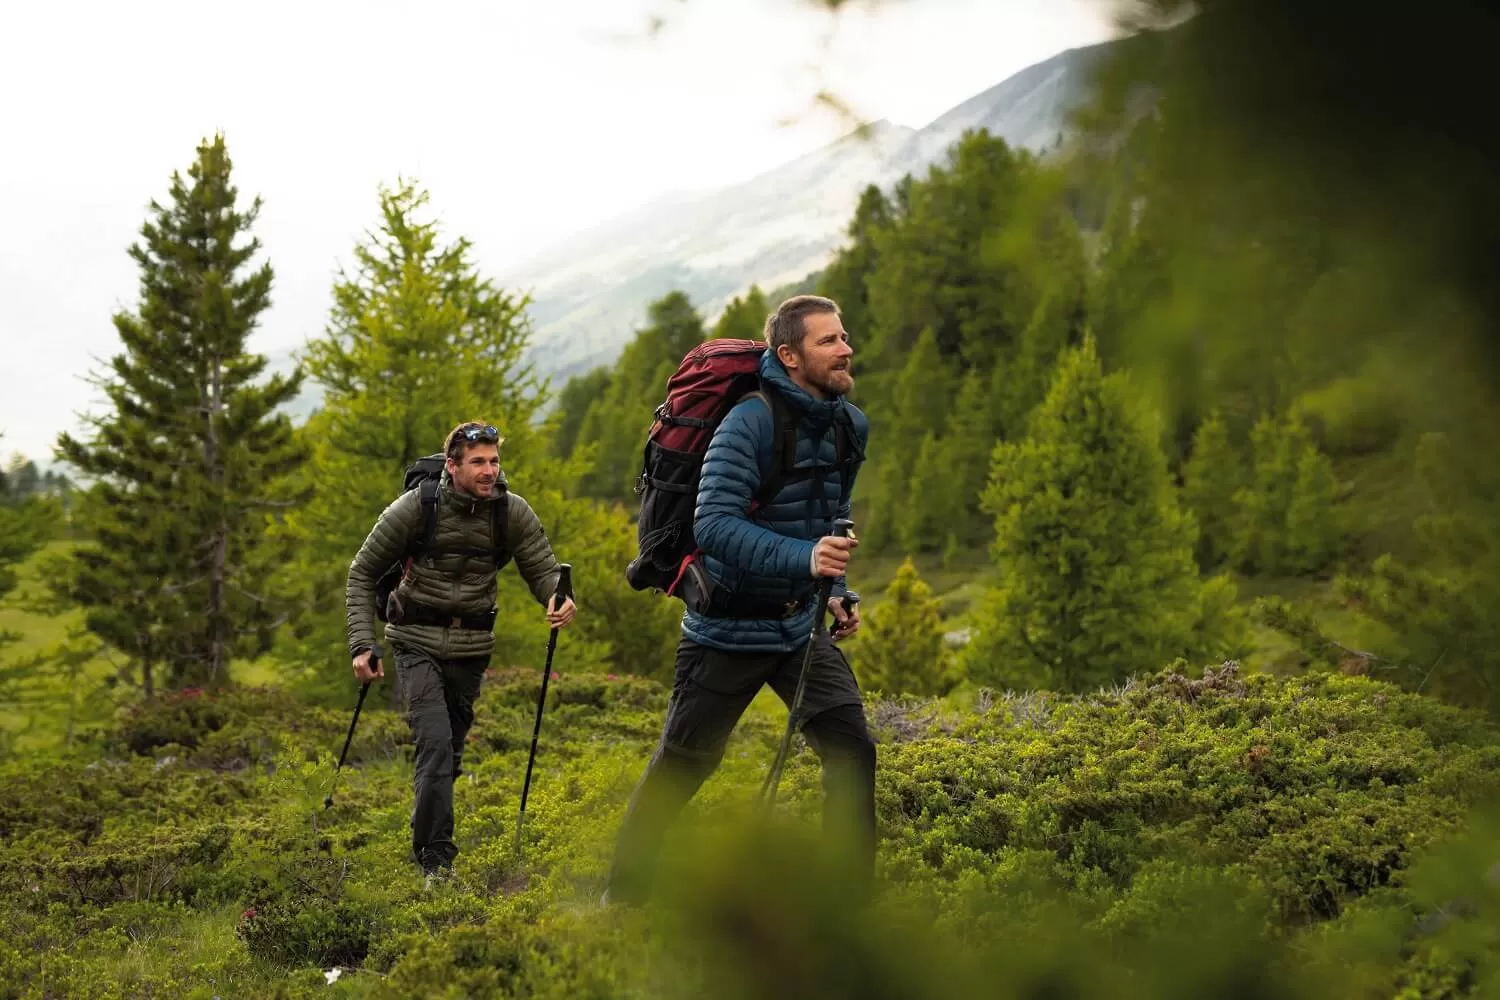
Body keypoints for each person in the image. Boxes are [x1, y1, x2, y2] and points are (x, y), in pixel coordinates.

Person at [605, 294, 875, 906]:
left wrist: (834, 590)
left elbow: (828, 512)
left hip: (798, 626)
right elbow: (715, 526)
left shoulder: (847, 423)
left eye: (844, 336)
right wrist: (805, 560)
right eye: (828, 341)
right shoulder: (748, 422)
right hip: (726, 628)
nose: (845, 348)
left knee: (852, 751)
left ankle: (850, 907)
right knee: (685, 763)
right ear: (790, 354)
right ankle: (622, 895)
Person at [345, 420, 576, 887]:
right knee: (433, 745)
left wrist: (558, 596)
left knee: (448, 750)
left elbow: (542, 569)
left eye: (494, 461)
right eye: (478, 462)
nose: (490, 470)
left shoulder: (511, 513)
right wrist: (363, 643)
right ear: (452, 466)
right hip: (414, 640)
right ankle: (436, 860)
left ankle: (427, 835)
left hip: (472, 648)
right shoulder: (415, 508)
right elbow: (362, 572)